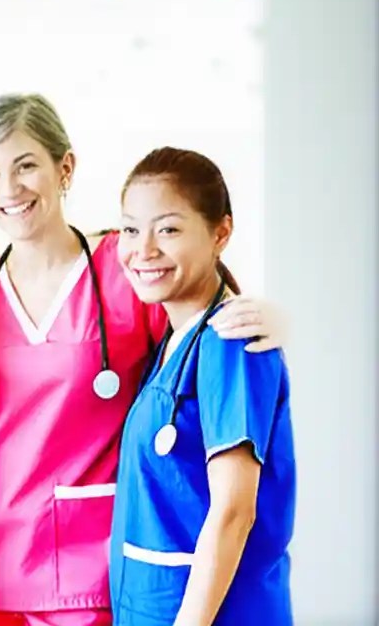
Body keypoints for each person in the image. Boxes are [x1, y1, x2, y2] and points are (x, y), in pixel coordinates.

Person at [0, 94, 284, 626]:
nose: (9, 189)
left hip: (93, 567)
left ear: (65, 168)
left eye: (26, 165)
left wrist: (280, 321)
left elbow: (208, 330)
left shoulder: (127, 269)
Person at [109, 146, 294, 625]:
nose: (143, 250)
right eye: (131, 229)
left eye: (168, 229)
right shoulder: (176, 341)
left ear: (221, 233)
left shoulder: (232, 340)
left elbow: (234, 511)